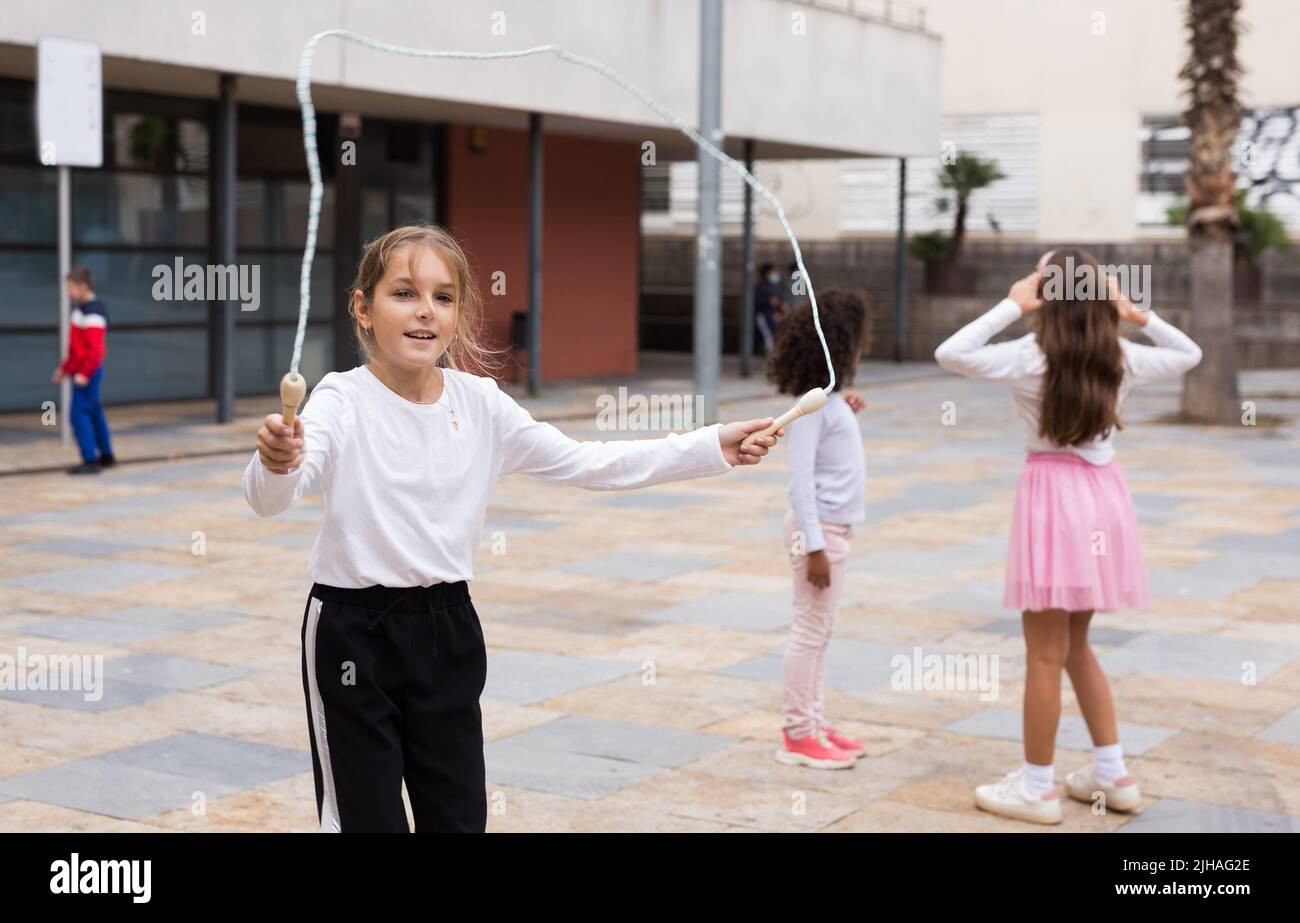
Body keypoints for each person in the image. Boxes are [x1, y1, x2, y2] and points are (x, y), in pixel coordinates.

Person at [243, 224, 785, 832]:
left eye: (443, 297)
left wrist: (713, 445)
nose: (425, 312)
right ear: (363, 308)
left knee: (459, 820)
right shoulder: (339, 400)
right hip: (351, 635)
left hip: (448, 630)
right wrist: (275, 462)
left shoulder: (482, 404)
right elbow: (272, 498)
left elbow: (590, 462)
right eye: (403, 293)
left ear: (458, 314)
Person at [934, 247, 1202, 823]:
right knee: (1077, 647)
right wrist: (1135, 314)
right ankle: (1114, 775)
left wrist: (1010, 304)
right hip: (1104, 500)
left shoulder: (1028, 357)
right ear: (1100, 293)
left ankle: (1036, 788)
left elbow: (950, 352)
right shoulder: (1122, 357)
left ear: (1044, 292)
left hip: (1052, 501)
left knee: (1044, 655)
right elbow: (1190, 353)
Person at [767, 290, 870, 769]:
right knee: (810, 632)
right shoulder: (810, 408)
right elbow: (800, 483)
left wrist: (844, 408)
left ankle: (814, 720)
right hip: (819, 534)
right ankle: (798, 733)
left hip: (832, 531)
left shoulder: (827, 403)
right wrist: (814, 546)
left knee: (821, 631)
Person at [52, 267, 115, 475]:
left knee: (78, 415)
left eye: (70, 287)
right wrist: (64, 369)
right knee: (95, 412)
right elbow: (76, 350)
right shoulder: (81, 309)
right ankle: (106, 455)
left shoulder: (93, 312)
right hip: (83, 371)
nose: (68, 292)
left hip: (88, 373)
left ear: (83, 287)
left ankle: (90, 460)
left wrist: (84, 374)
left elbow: (95, 350)